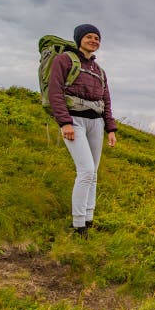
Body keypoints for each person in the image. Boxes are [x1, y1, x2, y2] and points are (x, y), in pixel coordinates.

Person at [48, 24, 117, 238]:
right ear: (79, 39)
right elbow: (55, 91)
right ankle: (78, 224)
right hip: (74, 120)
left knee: (93, 173)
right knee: (86, 170)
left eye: (97, 38)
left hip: (96, 122)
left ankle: (88, 217)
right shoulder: (64, 60)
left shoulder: (99, 71)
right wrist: (64, 122)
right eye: (89, 37)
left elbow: (106, 100)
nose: (94, 40)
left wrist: (111, 128)